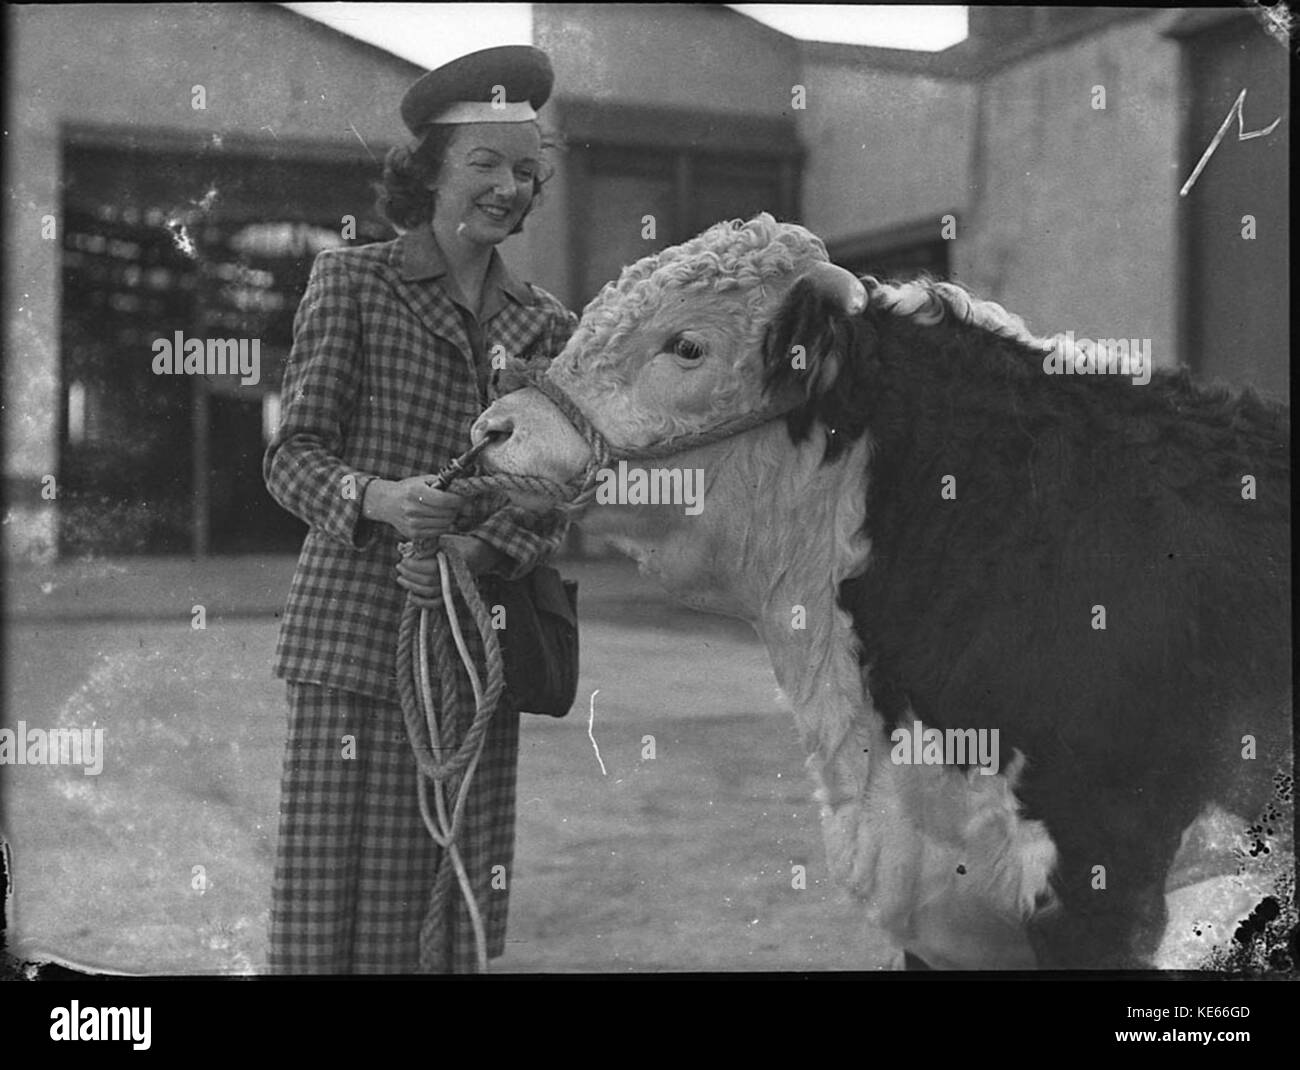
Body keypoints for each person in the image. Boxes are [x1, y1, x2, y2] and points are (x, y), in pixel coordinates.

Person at [263, 45, 577, 974]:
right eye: (485, 163)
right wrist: (377, 499)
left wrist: (484, 549)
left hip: (476, 652)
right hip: (354, 645)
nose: (508, 187)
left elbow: (559, 488)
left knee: (449, 901)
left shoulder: (549, 327)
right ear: (431, 171)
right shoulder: (352, 282)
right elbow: (291, 458)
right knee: (333, 911)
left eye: (526, 171)